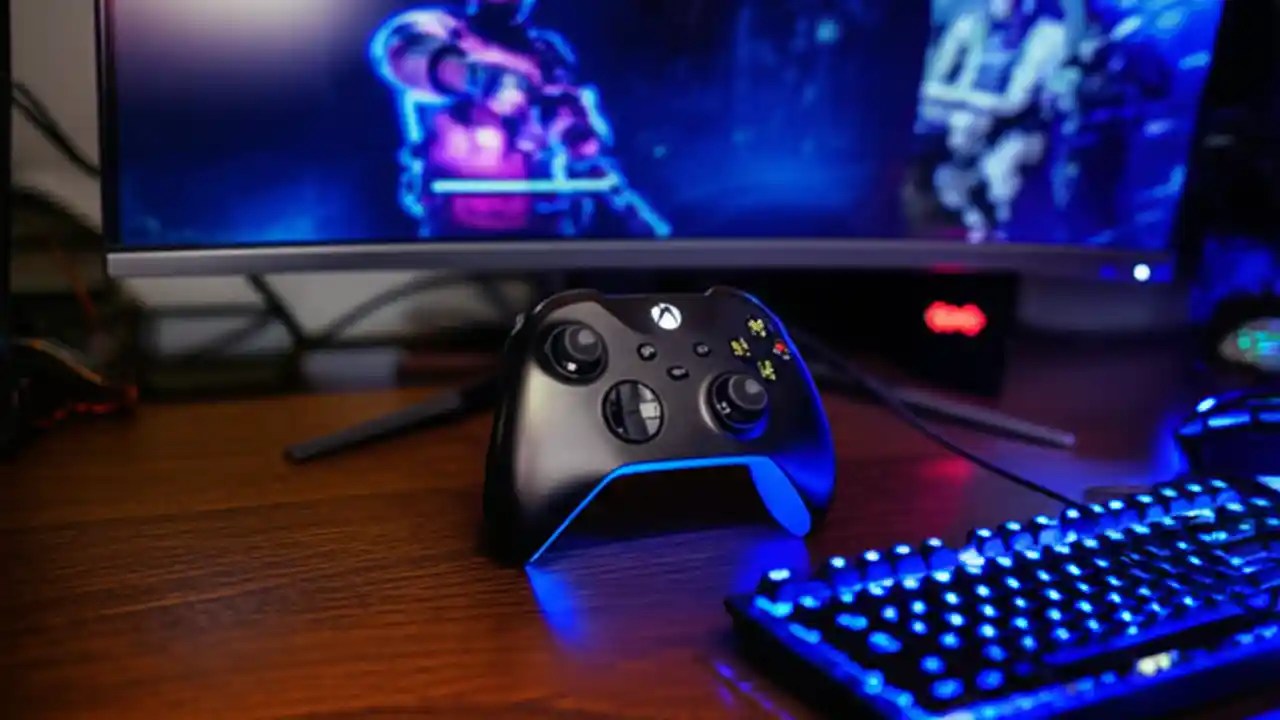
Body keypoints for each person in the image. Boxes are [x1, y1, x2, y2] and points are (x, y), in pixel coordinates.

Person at [370, 0, 669, 238]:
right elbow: (403, 57)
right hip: (456, 229)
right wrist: (481, 79)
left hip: (541, 233)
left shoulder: (547, 52)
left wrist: (576, 135)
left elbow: (570, 127)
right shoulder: (438, 30)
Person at [918, 0, 1068, 241]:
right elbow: (930, 84)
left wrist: (962, 103)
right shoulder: (968, 25)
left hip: (1024, 130)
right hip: (965, 124)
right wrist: (963, 107)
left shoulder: (1048, 34)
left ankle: (1002, 237)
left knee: (998, 171)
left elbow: (1014, 103)